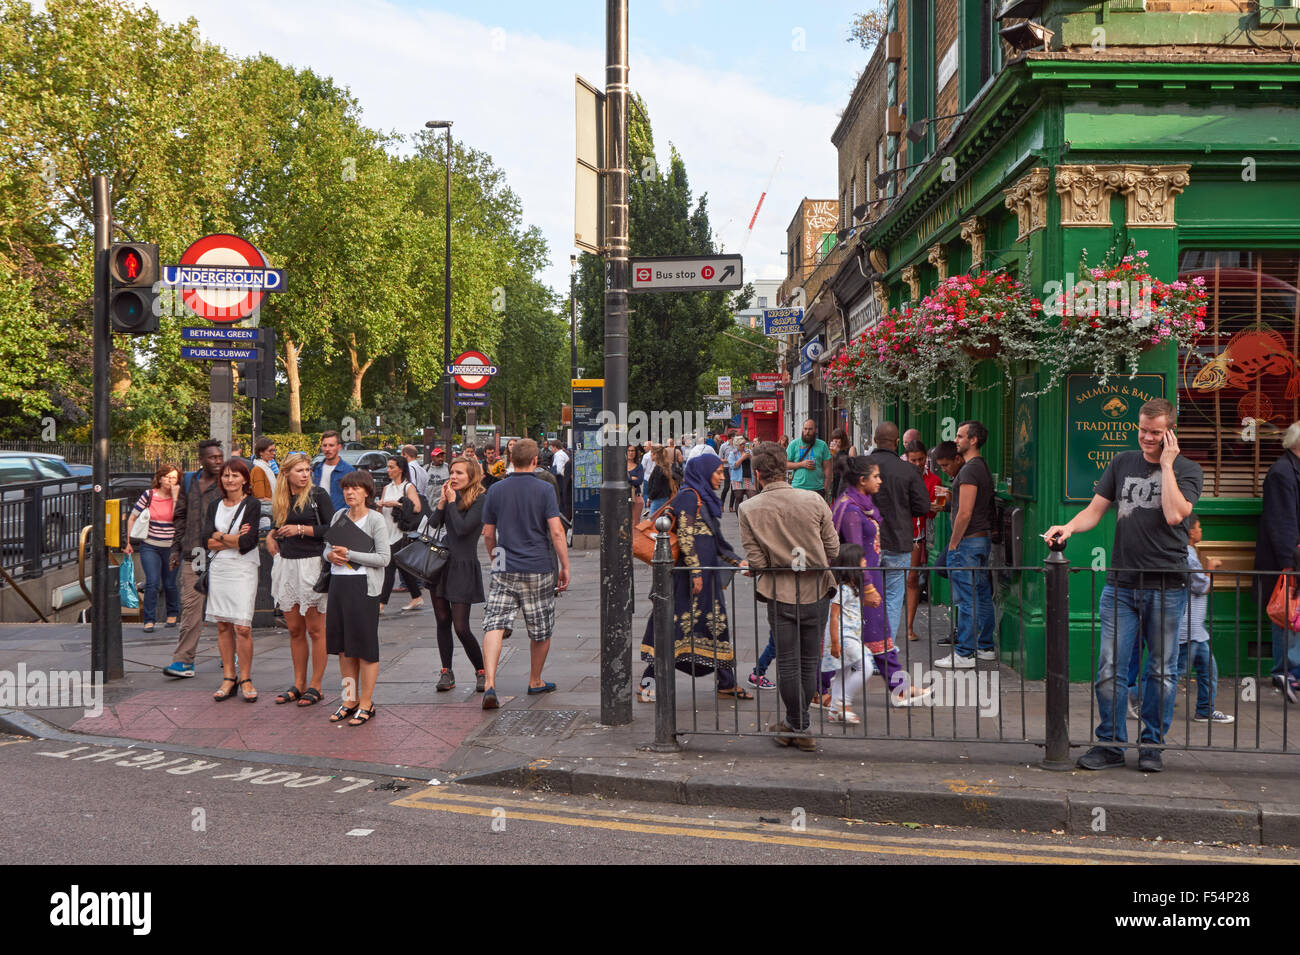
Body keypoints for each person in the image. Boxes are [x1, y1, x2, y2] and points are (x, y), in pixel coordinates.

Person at [1045, 398, 1202, 773]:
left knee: (1161, 671)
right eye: (1143, 430)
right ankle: (1111, 745)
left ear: (1170, 432)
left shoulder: (1188, 469)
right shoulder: (1121, 462)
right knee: (1109, 668)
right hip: (1121, 584)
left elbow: (1174, 513)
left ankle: (1152, 746)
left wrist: (1165, 465)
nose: (1147, 438)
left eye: (1155, 432)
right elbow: (1094, 509)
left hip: (1167, 585)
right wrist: (1067, 527)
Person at [739, 442, 840, 750]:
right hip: (818, 590)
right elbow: (833, 550)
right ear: (786, 468)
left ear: (757, 475)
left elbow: (757, 562)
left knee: (787, 663)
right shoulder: (814, 500)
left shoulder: (748, 508)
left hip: (780, 592)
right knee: (810, 661)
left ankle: (797, 726)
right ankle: (799, 725)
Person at [637, 452, 752, 703]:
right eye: (718, 472)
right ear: (704, 473)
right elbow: (687, 537)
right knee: (673, 628)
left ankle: (726, 681)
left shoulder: (703, 499)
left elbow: (716, 542)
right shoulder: (689, 496)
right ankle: (648, 685)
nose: (722, 477)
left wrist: (738, 562)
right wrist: (696, 573)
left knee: (715, 627)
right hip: (686, 581)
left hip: (705, 582)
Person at [479, 439, 572, 709]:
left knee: (494, 622)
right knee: (540, 627)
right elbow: (556, 531)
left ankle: (490, 684)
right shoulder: (544, 489)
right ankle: (535, 680)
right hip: (538, 564)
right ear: (535, 461)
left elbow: (487, 533)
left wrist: (496, 557)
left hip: (504, 563)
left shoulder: (496, 489)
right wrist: (565, 566)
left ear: (511, 458)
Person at [832, 457, 931, 705]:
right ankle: (897, 689)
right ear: (862, 480)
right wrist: (867, 587)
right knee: (873, 635)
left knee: (875, 636)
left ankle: (898, 688)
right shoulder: (852, 510)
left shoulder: (859, 505)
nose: (880, 480)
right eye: (875, 476)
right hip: (859, 583)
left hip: (866, 579)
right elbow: (856, 553)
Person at [265, 453, 333, 707]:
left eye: (307, 470)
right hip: (286, 566)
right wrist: (271, 535)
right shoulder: (282, 497)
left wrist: (302, 530)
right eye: (299, 471)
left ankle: (316, 685)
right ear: (286, 474)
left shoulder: (318, 496)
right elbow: (277, 524)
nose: (305, 475)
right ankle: (299, 683)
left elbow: (332, 528)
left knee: (315, 630)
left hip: (311, 565)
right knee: (294, 629)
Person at [324, 470, 390, 726]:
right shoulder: (339, 515)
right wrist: (329, 556)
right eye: (346, 489)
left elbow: (384, 558)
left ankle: (366, 702)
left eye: (355, 488)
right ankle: (349, 699)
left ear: (366, 492)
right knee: (343, 649)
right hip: (339, 584)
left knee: (364, 648)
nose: (350, 493)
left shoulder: (375, 520)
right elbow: (326, 548)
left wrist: (351, 554)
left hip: (364, 587)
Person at [935, 420, 999, 668]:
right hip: (979, 540)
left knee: (967, 598)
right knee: (981, 594)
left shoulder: (971, 469)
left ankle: (964, 653)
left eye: (961, 436)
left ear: (973, 440)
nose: (957, 440)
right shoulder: (979, 467)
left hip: (968, 542)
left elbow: (965, 512)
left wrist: (953, 543)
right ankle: (984, 647)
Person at [163, 439, 226, 678]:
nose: (218, 461)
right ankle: (183, 661)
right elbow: (179, 517)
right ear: (201, 459)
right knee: (191, 608)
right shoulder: (189, 481)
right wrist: (176, 549)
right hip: (193, 553)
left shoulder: (227, 482)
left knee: (225, 609)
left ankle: (231, 655)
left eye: (220, 457)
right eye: (212, 458)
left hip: (221, 553)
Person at [866, 423, 932, 650]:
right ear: (896, 443)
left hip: (866, 543)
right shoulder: (908, 471)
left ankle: (866, 649)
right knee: (893, 599)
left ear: (875, 439)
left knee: (866, 597)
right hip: (898, 542)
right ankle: (883, 650)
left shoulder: (859, 468)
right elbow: (923, 506)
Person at [427, 456, 488, 692]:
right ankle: (446, 672)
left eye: (459, 473)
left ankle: (481, 670)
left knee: (461, 626)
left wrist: (452, 502)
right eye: (452, 472)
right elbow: (433, 523)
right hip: (441, 565)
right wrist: (443, 502)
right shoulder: (450, 497)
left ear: (471, 476)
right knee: (442, 620)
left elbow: (462, 530)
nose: (453, 476)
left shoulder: (480, 500)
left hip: (463, 565)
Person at [203, 459, 262, 703]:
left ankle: (245, 677)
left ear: (245, 479)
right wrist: (231, 538)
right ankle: (229, 677)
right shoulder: (214, 505)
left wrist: (220, 537)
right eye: (226, 475)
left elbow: (248, 543)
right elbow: (205, 539)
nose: (230, 480)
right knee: (223, 624)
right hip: (219, 567)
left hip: (243, 569)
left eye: (235, 476)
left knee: (242, 626)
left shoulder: (252, 504)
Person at [1256, 421, 1300, 703]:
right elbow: (1281, 521)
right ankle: (1286, 672)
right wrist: (1291, 564)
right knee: (1288, 613)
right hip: (1291, 558)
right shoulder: (1282, 472)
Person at [1178, 514, 1232, 724]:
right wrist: (1211, 567)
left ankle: (1205, 710)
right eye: (1199, 527)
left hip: (1195, 628)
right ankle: (1137, 695)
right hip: (1188, 627)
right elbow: (1202, 587)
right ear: (1191, 532)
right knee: (1176, 672)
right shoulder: (1188, 555)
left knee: (1208, 668)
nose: (1201, 531)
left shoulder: (1188, 553)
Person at [124, 464, 181, 633]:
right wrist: (127, 542)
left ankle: (172, 614)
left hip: (172, 548)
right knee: (152, 582)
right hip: (150, 545)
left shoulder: (180, 497)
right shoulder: (149, 495)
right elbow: (132, 517)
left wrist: (176, 497)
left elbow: (179, 519)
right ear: (160, 477)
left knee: (170, 584)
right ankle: (149, 620)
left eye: (174, 478)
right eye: (167, 477)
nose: (170, 481)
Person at [820, 542, 872, 724]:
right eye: (862, 559)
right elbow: (833, 616)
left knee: (843, 673)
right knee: (865, 667)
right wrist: (835, 642)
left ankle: (834, 710)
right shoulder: (842, 589)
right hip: (844, 636)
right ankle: (844, 702)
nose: (865, 561)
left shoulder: (850, 588)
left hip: (849, 636)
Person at [904, 438, 942, 642]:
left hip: (916, 535)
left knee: (912, 579)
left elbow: (930, 515)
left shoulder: (934, 480)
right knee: (887, 578)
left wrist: (935, 507)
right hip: (893, 533)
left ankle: (909, 627)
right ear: (907, 458)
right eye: (913, 460)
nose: (918, 464)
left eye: (920, 459)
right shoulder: (898, 476)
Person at [377, 456, 424, 614]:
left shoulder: (407, 486)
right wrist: (380, 506)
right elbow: (381, 511)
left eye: (391, 467)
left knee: (388, 568)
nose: (388, 470)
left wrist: (396, 504)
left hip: (400, 533)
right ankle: (417, 597)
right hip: (386, 531)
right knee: (403, 568)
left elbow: (417, 507)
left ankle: (381, 604)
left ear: (401, 469)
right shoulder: (386, 487)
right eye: (388, 467)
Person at [786, 418, 832, 500]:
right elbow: (785, 464)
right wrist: (801, 464)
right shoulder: (794, 444)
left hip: (818, 489)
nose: (807, 432)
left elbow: (828, 468)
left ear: (816, 430)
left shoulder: (822, 445)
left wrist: (826, 488)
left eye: (810, 429)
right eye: (805, 429)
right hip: (798, 488)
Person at [312, 430, 355, 512]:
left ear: (339, 447)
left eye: (331, 445)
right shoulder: (315, 469)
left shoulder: (348, 471)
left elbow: (354, 497)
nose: (327, 449)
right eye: (324, 445)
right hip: (318, 518)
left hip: (339, 518)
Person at [643, 445, 675, 518]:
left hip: (658, 498)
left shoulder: (658, 468)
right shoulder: (664, 467)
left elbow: (656, 486)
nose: (650, 454)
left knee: (653, 521)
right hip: (663, 497)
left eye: (651, 452)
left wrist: (650, 498)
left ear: (655, 454)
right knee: (658, 520)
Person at [724, 434, 752, 513]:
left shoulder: (749, 451)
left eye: (744, 444)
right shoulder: (733, 453)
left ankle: (749, 515)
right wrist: (742, 458)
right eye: (741, 444)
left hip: (749, 478)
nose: (743, 445)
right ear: (737, 445)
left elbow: (754, 463)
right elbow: (733, 466)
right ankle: (740, 518)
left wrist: (751, 457)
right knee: (739, 498)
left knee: (752, 497)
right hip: (737, 479)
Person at [249, 436, 278, 503]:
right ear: (261, 452)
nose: (274, 453)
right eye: (270, 451)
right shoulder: (258, 469)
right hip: (266, 510)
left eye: (274, 450)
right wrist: (277, 503)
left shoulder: (266, 467)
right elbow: (260, 498)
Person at [627, 444, 644, 516]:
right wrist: (631, 478)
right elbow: (619, 480)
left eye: (633, 451)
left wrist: (627, 480)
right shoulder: (621, 465)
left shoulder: (639, 466)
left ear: (636, 452)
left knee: (635, 522)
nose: (631, 453)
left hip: (636, 496)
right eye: (629, 451)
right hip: (622, 497)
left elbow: (639, 481)